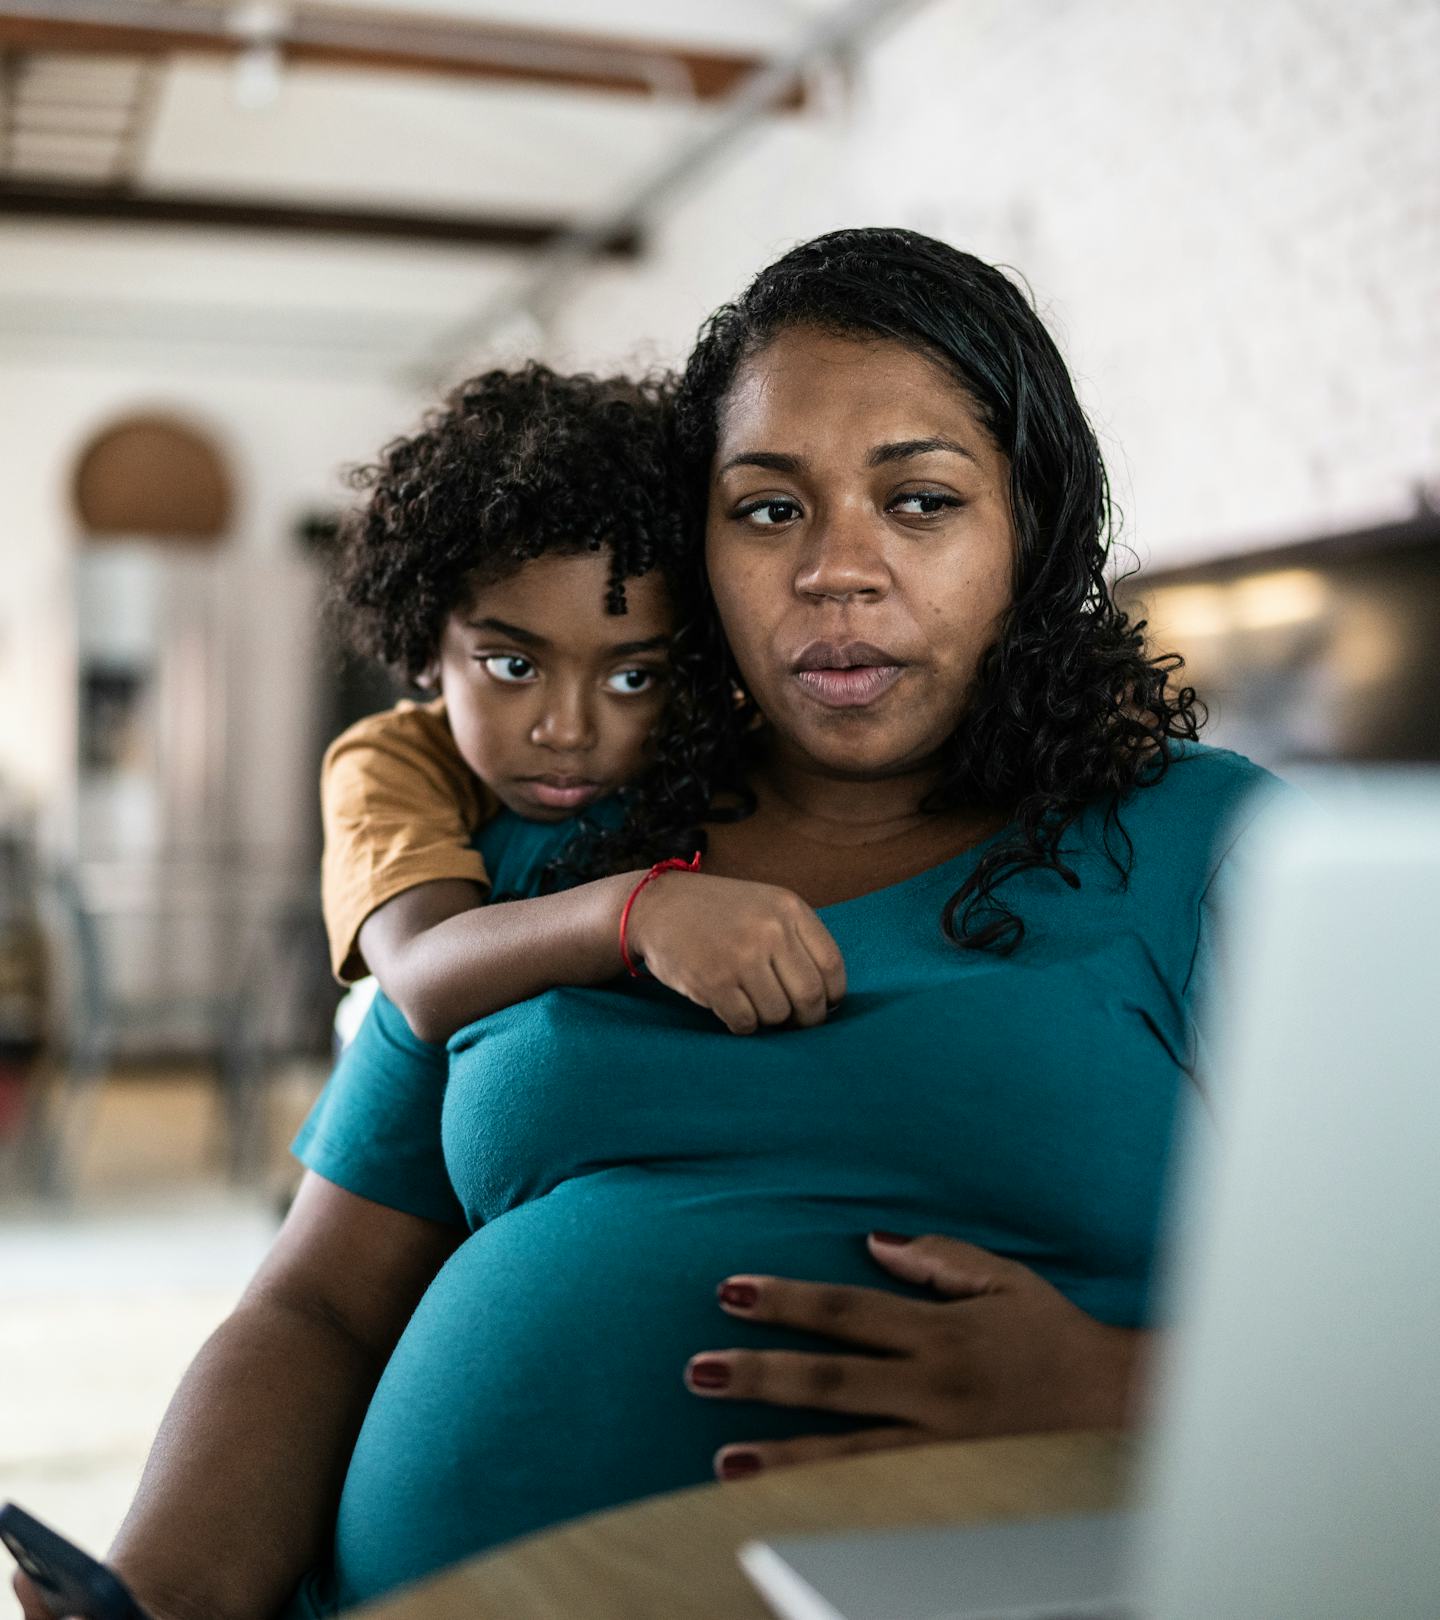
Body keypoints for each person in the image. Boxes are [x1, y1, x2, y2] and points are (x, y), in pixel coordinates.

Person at [14, 228, 1287, 1620]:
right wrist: (158, 1594)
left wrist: (1125, 1386)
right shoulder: (546, 849)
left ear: (1030, 533)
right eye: (767, 508)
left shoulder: (1214, 850)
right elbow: (315, 1307)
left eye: (919, 501)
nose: (836, 572)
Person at [319, 362, 843, 1042]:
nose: (567, 731)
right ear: (424, 646)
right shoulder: (390, 765)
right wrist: (638, 914)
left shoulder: (721, 737)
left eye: (633, 678)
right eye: (513, 666)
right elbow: (422, 976)